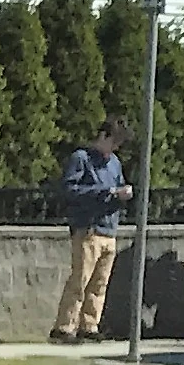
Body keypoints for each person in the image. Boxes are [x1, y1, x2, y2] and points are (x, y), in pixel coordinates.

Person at [50, 117, 135, 344]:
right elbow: (70, 190)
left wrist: (122, 195)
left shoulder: (114, 162)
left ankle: (90, 324)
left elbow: (117, 186)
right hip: (88, 228)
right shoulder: (82, 158)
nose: (116, 148)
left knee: (100, 282)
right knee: (80, 279)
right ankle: (64, 327)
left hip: (109, 229)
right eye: (114, 142)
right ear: (103, 136)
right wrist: (107, 191)